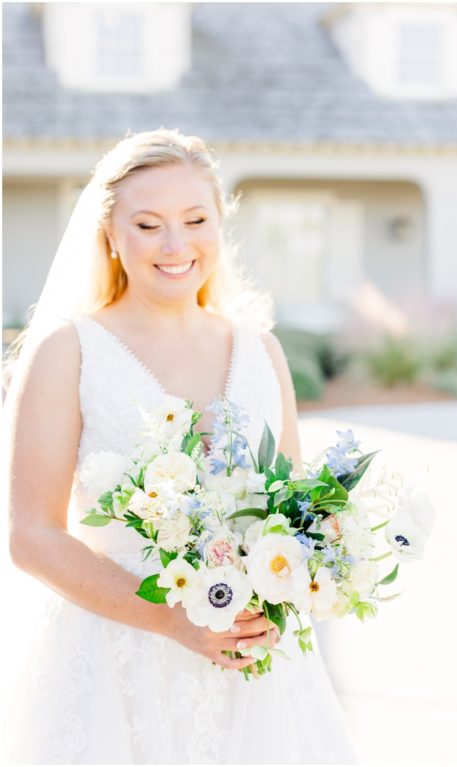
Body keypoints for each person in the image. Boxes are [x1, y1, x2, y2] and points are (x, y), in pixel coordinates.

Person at [2, 129, 357, 763]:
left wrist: (289, 593)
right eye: (147, 224)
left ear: (220, 224)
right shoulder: (69, 352)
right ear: (110, 234)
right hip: (114, 666)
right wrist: (171, 620)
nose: (176, 245)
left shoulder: (261, 351)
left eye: (195, 219)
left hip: (253, 674)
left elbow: (300, 515)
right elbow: (32, 536)